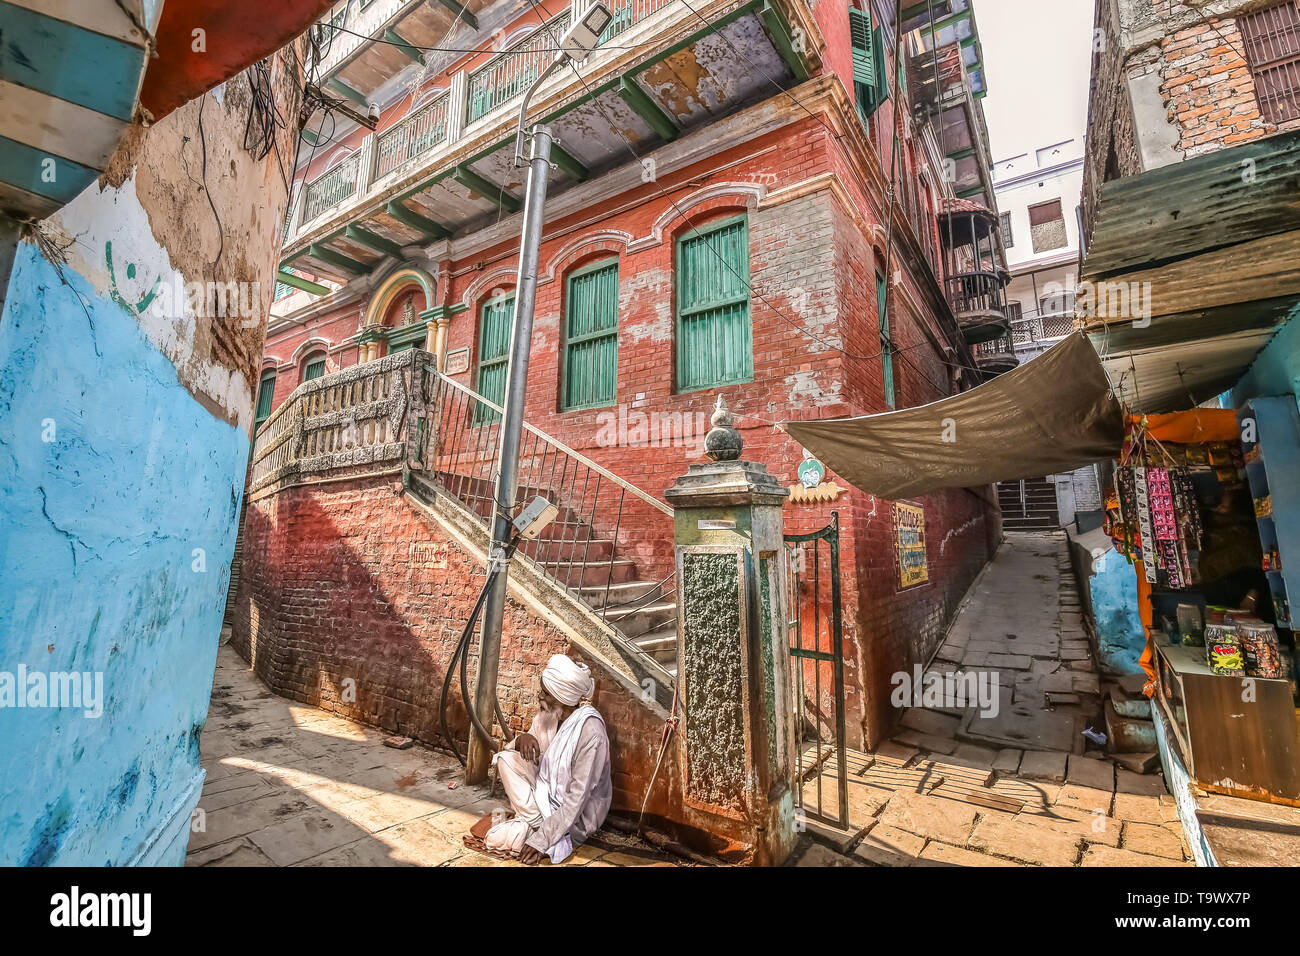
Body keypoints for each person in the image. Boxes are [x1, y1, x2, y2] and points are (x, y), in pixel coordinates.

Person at [482, 654, 612, 865]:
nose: (539, 697)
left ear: (561, 696)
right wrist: (521, 739)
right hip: (546, 794)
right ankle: (536, 824)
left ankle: (540, 830)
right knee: (506, 759)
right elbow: (515, 751)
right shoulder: (547, 717)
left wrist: (540, 841)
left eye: (545, 693)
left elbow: (577, 798)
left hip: (578, 819)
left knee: (498, 839)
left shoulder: (591, 733)